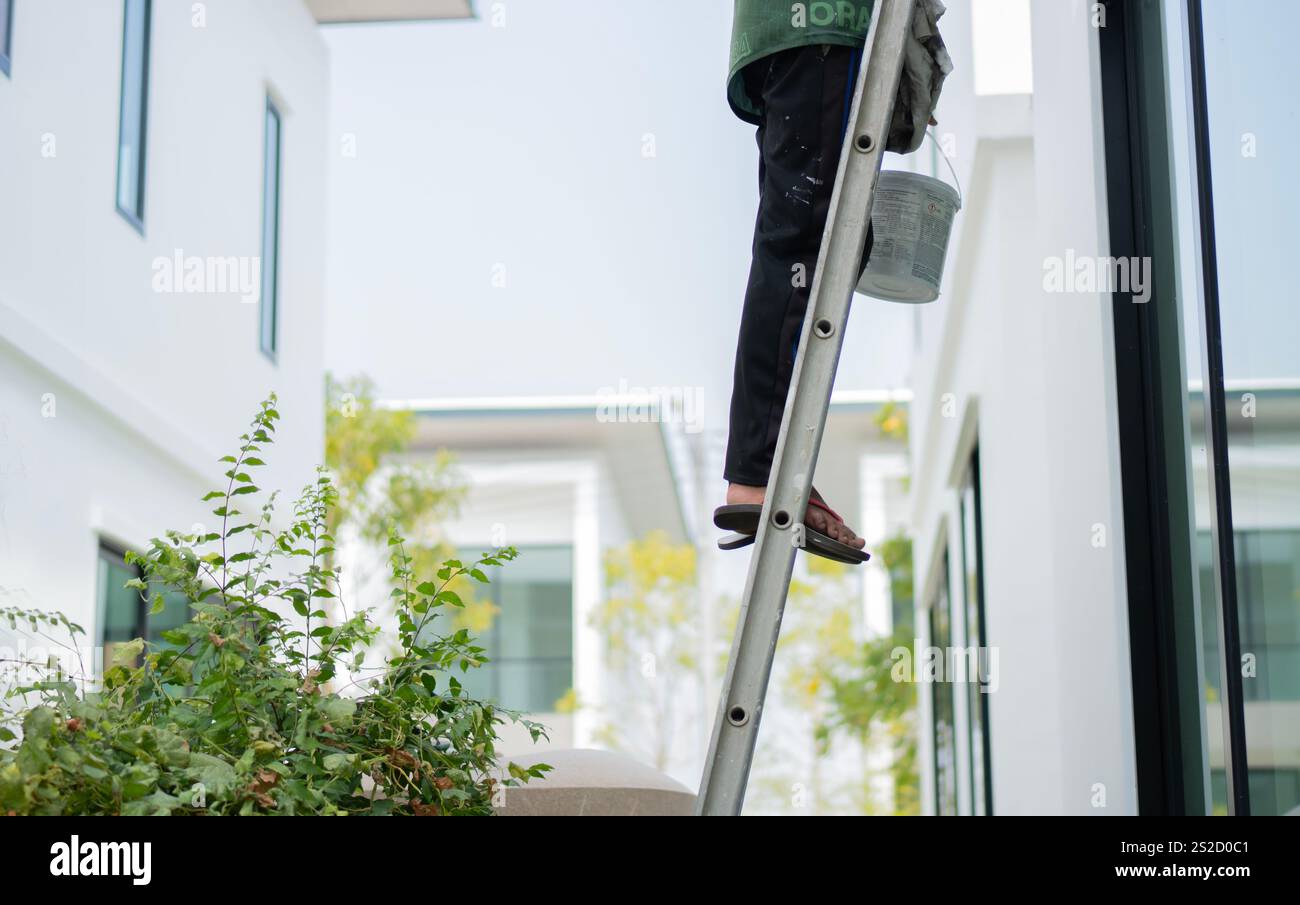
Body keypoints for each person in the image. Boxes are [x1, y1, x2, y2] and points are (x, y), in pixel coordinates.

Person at [714, 0, 877, 561]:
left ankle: (762, 465)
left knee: (823, 241)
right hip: (817, 30)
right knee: (802, 244)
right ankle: (759, 472)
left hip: (806, 33)